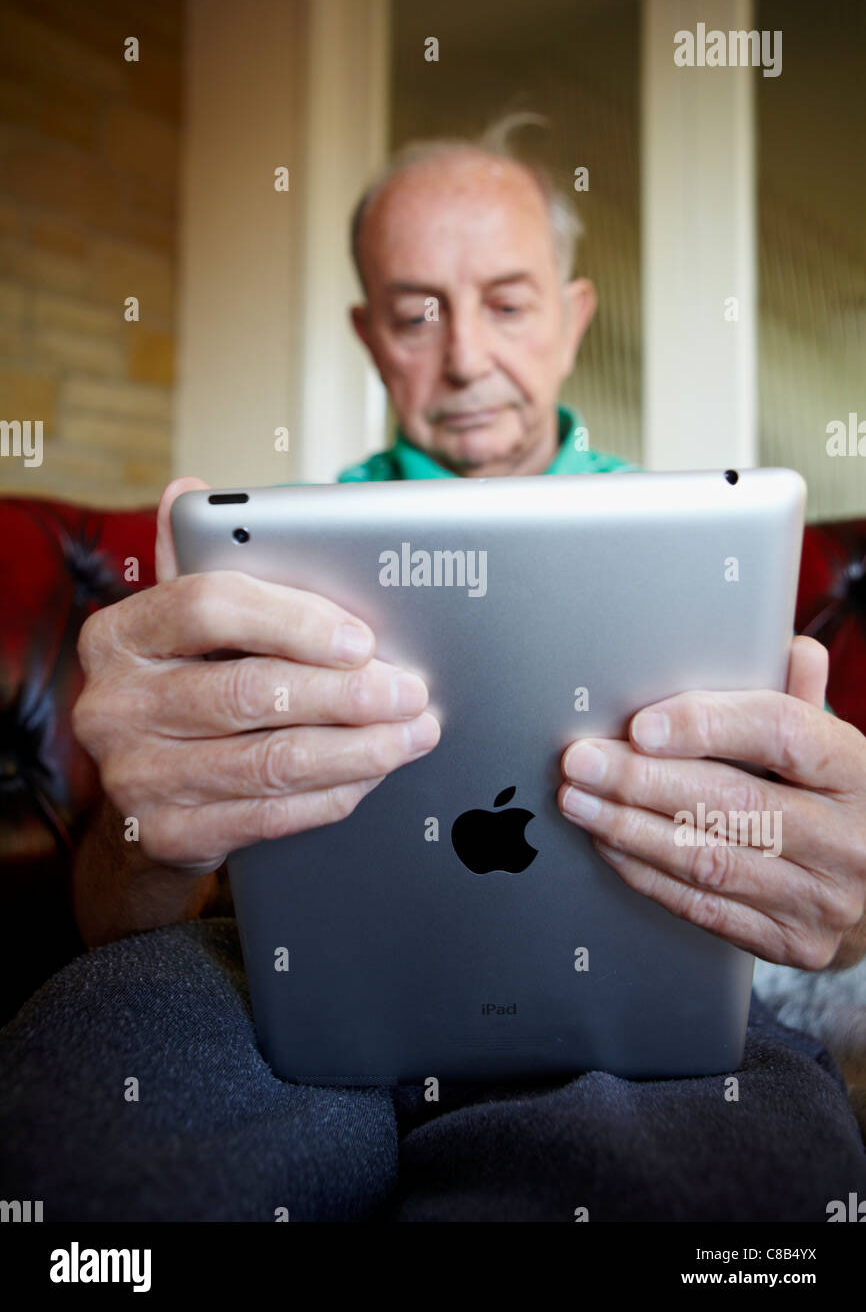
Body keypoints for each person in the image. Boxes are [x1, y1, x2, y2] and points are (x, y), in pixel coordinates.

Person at [2, 122, 865, 1223]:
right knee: (105, 1082)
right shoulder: (268, 566)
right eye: (415, 312)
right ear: (369, 335)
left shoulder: (710, 564)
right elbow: (115, 921)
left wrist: (847, 891)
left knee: (730, 1170)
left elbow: (826, 907)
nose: (462, 357)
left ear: (572, 319)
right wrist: (142, 827)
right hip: (295, 1003)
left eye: (507, 302)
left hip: (633, 1015)